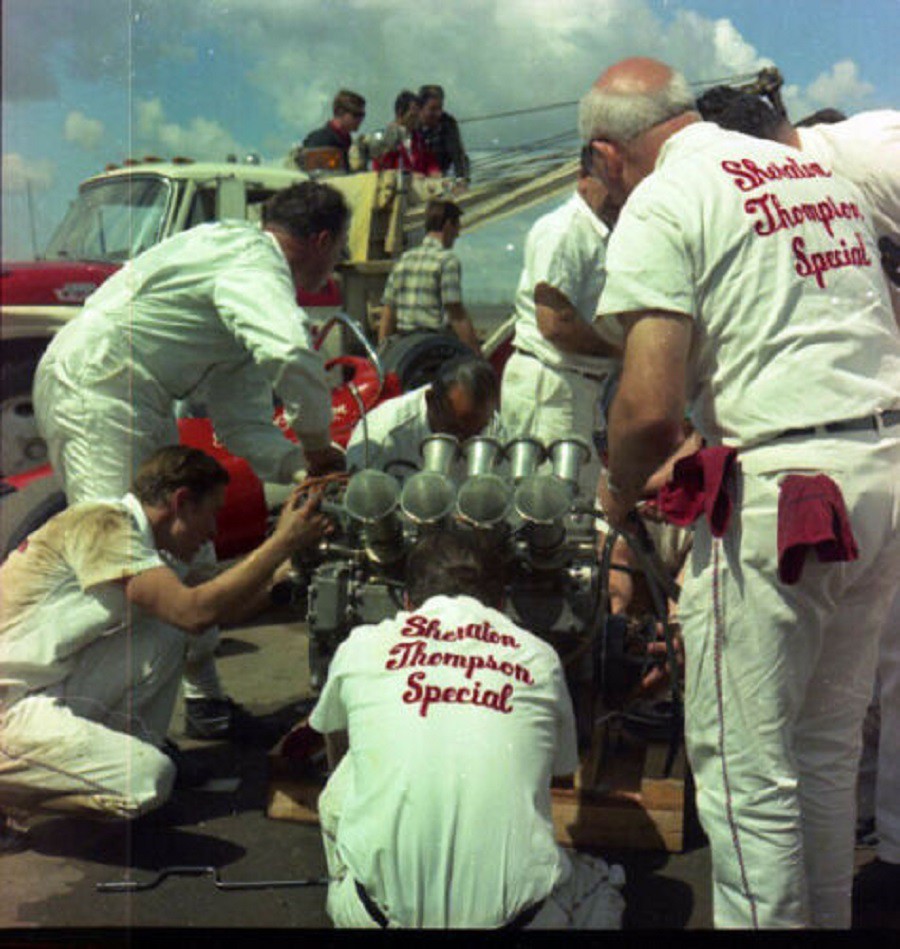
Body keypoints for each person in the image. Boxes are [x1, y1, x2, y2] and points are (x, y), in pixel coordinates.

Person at [583, 57, 900, 928]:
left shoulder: (665, 198)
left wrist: (617, 496)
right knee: (827, 748)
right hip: (884, 470)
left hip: (789, 491)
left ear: (610, 155)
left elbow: (647, 409)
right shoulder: (807, 167)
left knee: (744, 768)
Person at [33, 180, 348, 740]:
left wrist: (302, 469)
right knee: (126, 567)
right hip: (99, 386)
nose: (337, 265)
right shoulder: (252, 261)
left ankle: (204, 702)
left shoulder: (234, 276)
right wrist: (320, 444)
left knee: (189, 547)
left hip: (134, 394)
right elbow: (291, 352)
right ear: (322, 240)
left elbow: (243, 425)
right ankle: (101, 733)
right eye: (340, 251)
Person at [0, 446, 330, 834]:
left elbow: (218, 610)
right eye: (212, 513)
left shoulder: (144, 543)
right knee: (147, 782)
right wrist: (281, 543)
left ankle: (90, 764)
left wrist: (283, 573)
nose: (213, 530)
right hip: (9, 705)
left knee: (164, 631)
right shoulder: (105, 523)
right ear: (181, 502)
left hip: (37, 688)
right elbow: (194, 611)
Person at [309, 526, 625, 928]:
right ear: (499, 602)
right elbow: (561, 771)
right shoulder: (539, 657)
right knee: (598, 883)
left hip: (378, 920)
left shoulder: (360, 645)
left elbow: (335, 743)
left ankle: (360, 888)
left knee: (347, 773)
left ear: (407, 601)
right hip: (519, 923)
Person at [500, 146, 624, 505]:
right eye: (609, 183)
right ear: (583, 179)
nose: (618, 194)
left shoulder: (601, 233)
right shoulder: (564, 230)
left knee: (575, 500)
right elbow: (554, 323)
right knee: (548, 505)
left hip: (576, 388)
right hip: (551, 386)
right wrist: (621, 352)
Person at [345, 355, 501, 479]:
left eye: (478, 432)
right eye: (458, 428)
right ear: (431, 401)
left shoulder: (495, 428)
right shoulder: (383, 436)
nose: (465, 443)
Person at [378, 199, 481, 353]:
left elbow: (388, 312)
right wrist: (476, 353)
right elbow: (456, 314)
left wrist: (381, 353)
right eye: (456, 228)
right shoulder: (447, 260)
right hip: (431, 349)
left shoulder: (404, 259)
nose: (457, 234)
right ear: (447, 225)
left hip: (404, 348)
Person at [371, 91, 441, 177]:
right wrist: (411, 176)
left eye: (417, 116)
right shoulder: (384, 139)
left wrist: (434, 171)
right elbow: (382, 169)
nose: (416, 120)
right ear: (400, 113)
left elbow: (430, 162)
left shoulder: (419, 141)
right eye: (412, 116)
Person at [302, 89, 367, 173]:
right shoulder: (319, 140)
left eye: (362, 115)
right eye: (356, 114)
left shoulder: (349, 143)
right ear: (340, 112)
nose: (360, 119)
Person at [417, 85, 470, 181]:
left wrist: (461, 180)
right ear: (420, 108)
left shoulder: (447, 123)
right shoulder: (410, 126)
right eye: (433, 109)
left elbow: (458, 156)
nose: (438, 113)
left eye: (440, 108)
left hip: (440, 177)